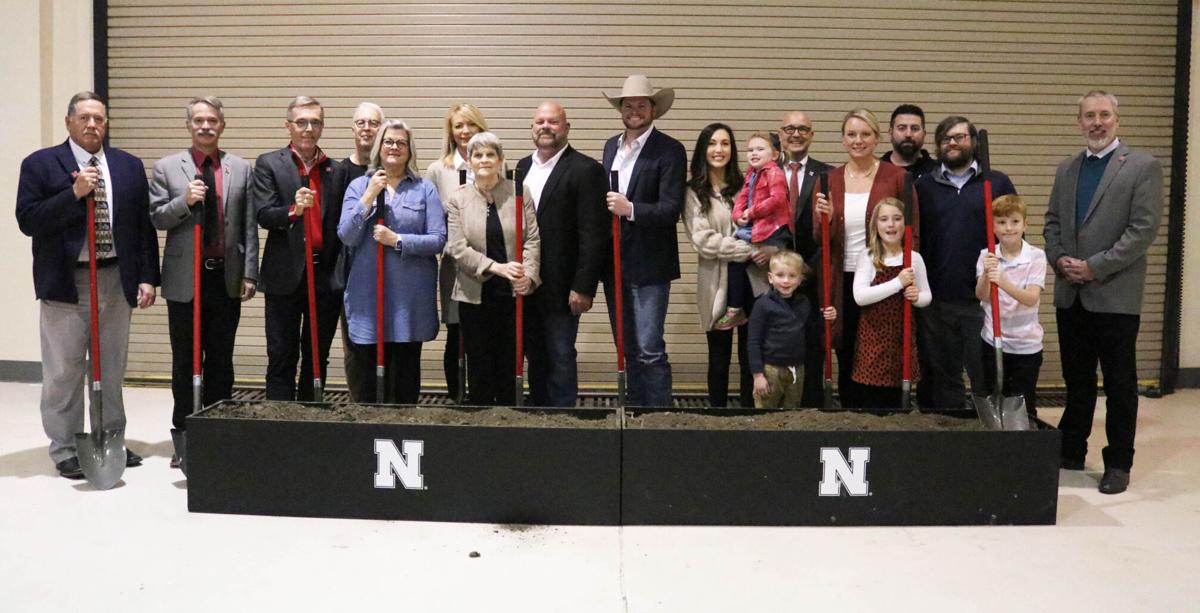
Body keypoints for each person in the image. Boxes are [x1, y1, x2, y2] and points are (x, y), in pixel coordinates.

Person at [15, 91, 160, 479]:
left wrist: (147, 275)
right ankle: (65, 447)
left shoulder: (128, 166)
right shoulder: (41, 164)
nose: (93, 125)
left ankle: (109, 438)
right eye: (85, 118)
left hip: (115, 277)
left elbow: (142, 228)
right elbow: (28, 220)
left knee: (110, 368)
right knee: (64, 370)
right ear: (69, 122)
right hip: (66, 281)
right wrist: (73, 195)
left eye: (99, 118)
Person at [1044, 90, 1163, 495]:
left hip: (1114, 295)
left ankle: (1118, 463)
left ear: (1117, 120)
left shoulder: (1142, 167)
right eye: (1089, 116)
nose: (1097, 122)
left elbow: (1142, 230)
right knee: (1076, 381)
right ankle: (1071, 450)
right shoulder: (1066, 169)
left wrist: (1095, 267)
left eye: (1104, 115)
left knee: (1119, 384)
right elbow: (1052, 223)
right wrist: (1060, 260)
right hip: (1070, 294)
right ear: (1078, 122)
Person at [149, 96, 257, 467]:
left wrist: (249, 272)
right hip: (185, 278)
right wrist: (184, 200)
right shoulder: (166, 167)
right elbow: (158, 218)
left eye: (212, 120)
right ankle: (184, 434)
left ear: (222, 126)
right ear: (189, 126)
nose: (206, 126)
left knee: (221, 360)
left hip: (224, 277)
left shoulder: (240, 168)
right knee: (185, 359)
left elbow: (247, 226)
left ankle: (216, 431)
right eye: (199, 120)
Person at [338, 120, 445, 403]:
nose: (394, 147)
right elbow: (346, 235)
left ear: (410, 151)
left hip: (409, 302)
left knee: (405, 379)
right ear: (378, 147)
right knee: (366, 382)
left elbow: (438, 239)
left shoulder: (425, 189)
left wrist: (398, 240)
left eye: (401, 142)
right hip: (369, 298)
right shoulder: (359, 185)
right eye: (388, 142)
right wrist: (369, 196)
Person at [915, 116, 1017, 410]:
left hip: (983, 297)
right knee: (944, 373)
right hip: (939, 297)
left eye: (960, 136)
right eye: (947, 138)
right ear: (937, 146)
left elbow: (1012, 235)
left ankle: (986, 436)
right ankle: (951, 434)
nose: (953, 142)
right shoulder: (924, 186)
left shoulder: (996, 182)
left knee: (983, 370)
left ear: (973, 141)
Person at [252, 96, 348, 401]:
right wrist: (294, 210)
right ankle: (279, 429)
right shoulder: (269, 163)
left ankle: (310, 426)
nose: (308, 129)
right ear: (288, 126)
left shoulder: (336, 169)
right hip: (285, 276)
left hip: (324, 277)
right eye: (301, 122)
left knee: (317, 358)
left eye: (315, 122)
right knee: (281, 354)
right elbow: (264, 215)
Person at [813, 108, 911, 409]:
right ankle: (851, 415)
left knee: (880, 347)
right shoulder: (828, 181)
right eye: (852, 134)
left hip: (882, 276)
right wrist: (824, 219)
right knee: (845, 345)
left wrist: (905, 274)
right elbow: (819, 238)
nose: (858, 140)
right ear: (843, 139)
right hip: (840, 277)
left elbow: (911, 230)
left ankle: (883, 416)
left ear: (877, 138)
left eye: (865, 134)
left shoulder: (897, 178)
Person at [600, 74, 687, 407]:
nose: (634, 110)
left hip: (650, 266)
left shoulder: (670, 150)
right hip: (615, 265)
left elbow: (670, 209)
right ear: (621, 109)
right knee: (627, 348)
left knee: (650, 349)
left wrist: (630, 208)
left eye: (641, 104)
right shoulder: (611, 146)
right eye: (628, 105)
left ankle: (658, 421)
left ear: (653, 109)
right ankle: (634, 414)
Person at [514, 101, 608, 407]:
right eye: (539, 121)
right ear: (531, 128)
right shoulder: (521, 169)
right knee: (534, 354)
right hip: (528, 284)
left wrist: (583, 287)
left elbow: (594, 234)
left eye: (553, 122)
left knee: (561, 354)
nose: (545, 127)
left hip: (563, 285)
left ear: (566, 128)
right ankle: (539, 417)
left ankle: (564, 421)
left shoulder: (587, 170)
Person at [443, 132, 541, 405]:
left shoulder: (520, 192)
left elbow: (532, 239)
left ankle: (510, 427)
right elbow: (457, 248)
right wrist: (495, 267)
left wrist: (529, 277)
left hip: (513, 295)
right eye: (478, 155)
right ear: (470, 161)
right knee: (480, 368)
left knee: (510, 366)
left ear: (500, 160)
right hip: (474, 296)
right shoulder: (458, 199)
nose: (484, 160)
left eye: (490, 154)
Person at [683, 123, 763, 407]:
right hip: (717, 286)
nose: (719, 150)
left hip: (754, 283)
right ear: (703, 150)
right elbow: (703, 240)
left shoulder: (748, 185)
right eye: (713, 143)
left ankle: (747, 418)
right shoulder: (693, 192)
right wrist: (748, 249)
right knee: (718, 360)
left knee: (750, 359)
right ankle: (717, 419)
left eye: (725, 143)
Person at [426, 103, 488, 401]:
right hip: (454, 263)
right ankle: (456, 398)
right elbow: (434, 219)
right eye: (458, 126)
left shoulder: (492, 164)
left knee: (483, 332)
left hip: (489, 264)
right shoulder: (439, 170)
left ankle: (482, 395)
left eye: (470, 125)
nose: (465, 132)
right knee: (456, 331)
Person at [852, 197, 931, 408]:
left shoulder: (913, 258)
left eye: (897, 219)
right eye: (884, 219)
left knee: (897, 395)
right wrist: (898, 283)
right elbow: (860, 296)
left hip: (901, 337)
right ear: (875, 225)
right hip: (873, 338)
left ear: (905, 224)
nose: (891, 224)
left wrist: (916, 297)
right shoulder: (868, 257)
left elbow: (926, 296)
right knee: (871, 396)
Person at [777, 110, 832, 407]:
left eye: (802, 129)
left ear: (812, 134)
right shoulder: (764, 171)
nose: (795, 134)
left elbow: (832, 229)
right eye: (789, 129)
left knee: (813, 345)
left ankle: (813, 408)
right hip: (772, 276)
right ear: (780, 133)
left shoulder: (827, 175)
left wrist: (811, 267)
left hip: (813, 275)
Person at [974, 194, 1046, 421]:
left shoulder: (1036, 257)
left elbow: (1031, 298)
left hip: (1025, 346)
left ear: (1025, 224)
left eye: (1015, 222)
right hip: (993, 342)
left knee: (1022, 404)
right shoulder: (986, 255)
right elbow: (981, 295)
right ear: (993, 227)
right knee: (994, 399)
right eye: (1002, 223)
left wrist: (1003, 281)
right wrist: (987, 274)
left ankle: (1024, 446)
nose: (1008, 228)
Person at [715, 132, 791, 330]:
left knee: (758, 266)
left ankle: (739, 307)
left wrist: (752, 211)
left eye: (760, 149)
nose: (753, 153)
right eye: (750, 150)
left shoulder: (774, 173)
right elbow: (741, 198)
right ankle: (736, 307)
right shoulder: (751, 173)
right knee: (737, 262)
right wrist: (737, 215)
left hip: (772, 229)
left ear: (774, 155)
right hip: (754, 227)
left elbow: (777, 199)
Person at [337, 102, 384, 401]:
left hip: (387, 274)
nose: (367, 128)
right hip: (351, 276)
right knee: (357, 349)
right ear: (352, 128)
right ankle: (361, 410)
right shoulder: (339, 172)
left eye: (373, 123)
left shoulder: (394, 168)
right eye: (361, 122)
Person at [748, 250, 836, 409]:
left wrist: (828, 318)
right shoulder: (762, 305)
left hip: (797, 369)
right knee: (766, 414)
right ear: (770, 277)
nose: (786, 281)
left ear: (800, 279)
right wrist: (758, 375)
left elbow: (812, 332)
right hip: (770, 370)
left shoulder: (804, 303)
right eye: (780, 275)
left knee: (792, 413)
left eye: (792, 276)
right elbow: (753, 342)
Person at [881, 104, 938, 177]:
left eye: (915, 128)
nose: (908, 134)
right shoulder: (876, 171)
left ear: (924, 134)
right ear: (891, 133)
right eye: (901, 128)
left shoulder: (938, 172)